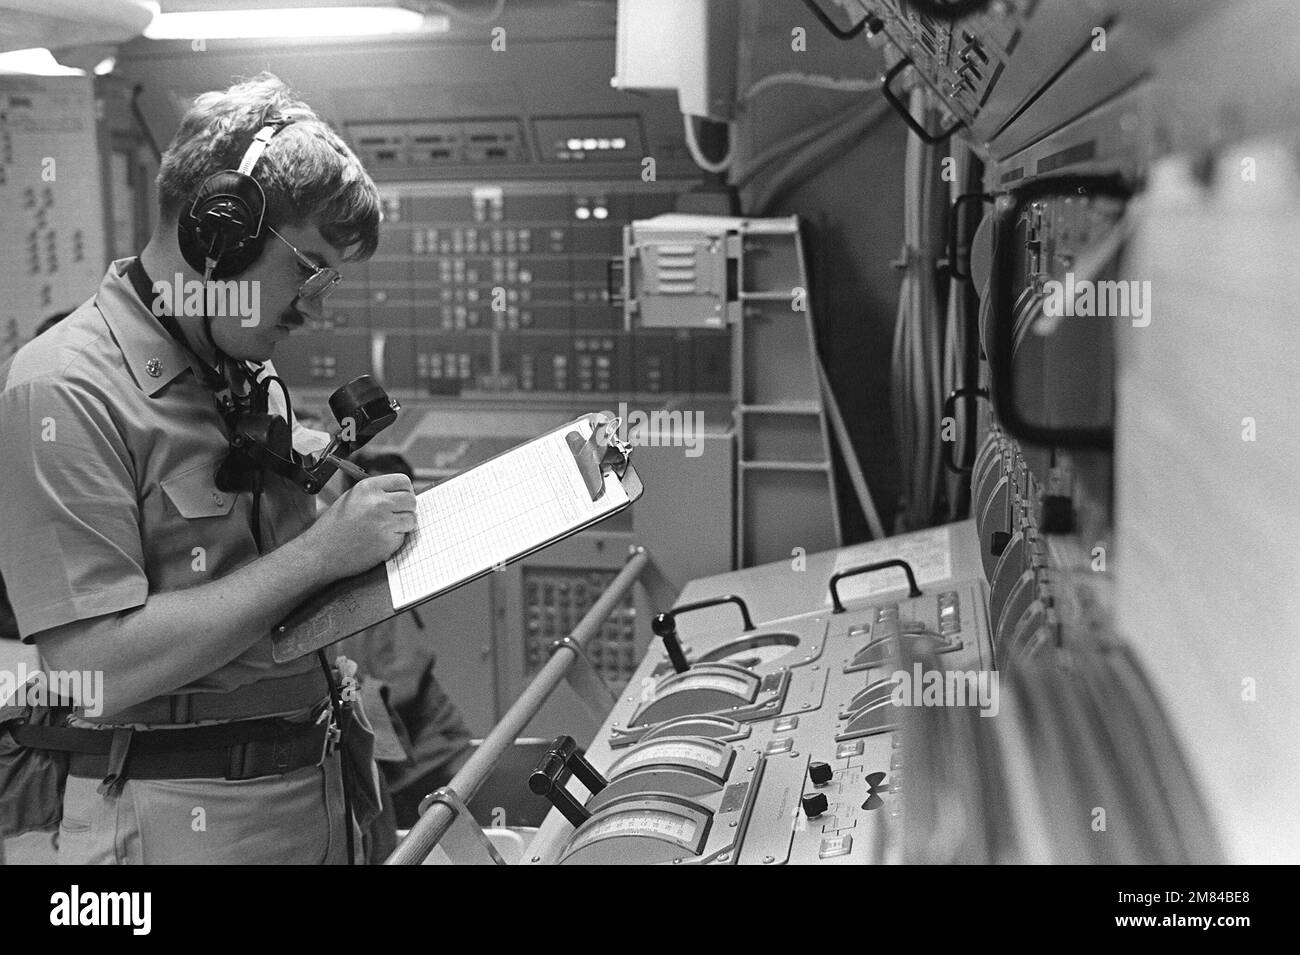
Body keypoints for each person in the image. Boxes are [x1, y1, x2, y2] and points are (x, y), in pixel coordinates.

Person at [0, 73, 416, 864]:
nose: (314, 307)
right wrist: (321, 552)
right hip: (178, 823)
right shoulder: (62, 388)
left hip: (319, 790)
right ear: (218, 233)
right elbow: (93, 667)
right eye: (308, 269)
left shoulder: (237, 369)